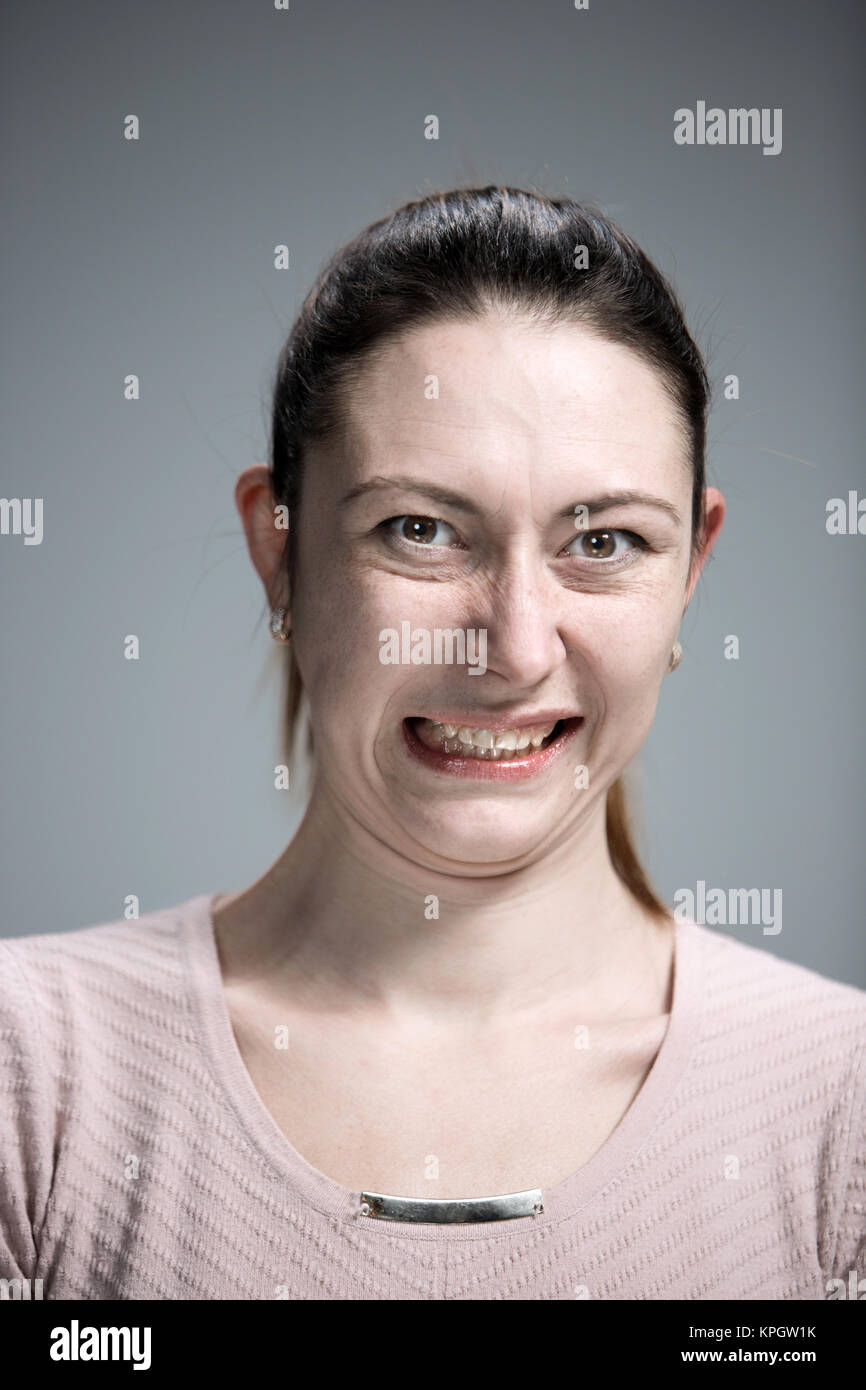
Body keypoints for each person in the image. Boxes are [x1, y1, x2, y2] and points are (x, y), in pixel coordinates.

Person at [1, 186, 863, 1301]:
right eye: (420, 530)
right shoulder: (32, 1078)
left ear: (691, 566)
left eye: (602, 539)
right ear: (280, 549)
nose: (512, 648)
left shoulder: (838, 1106)